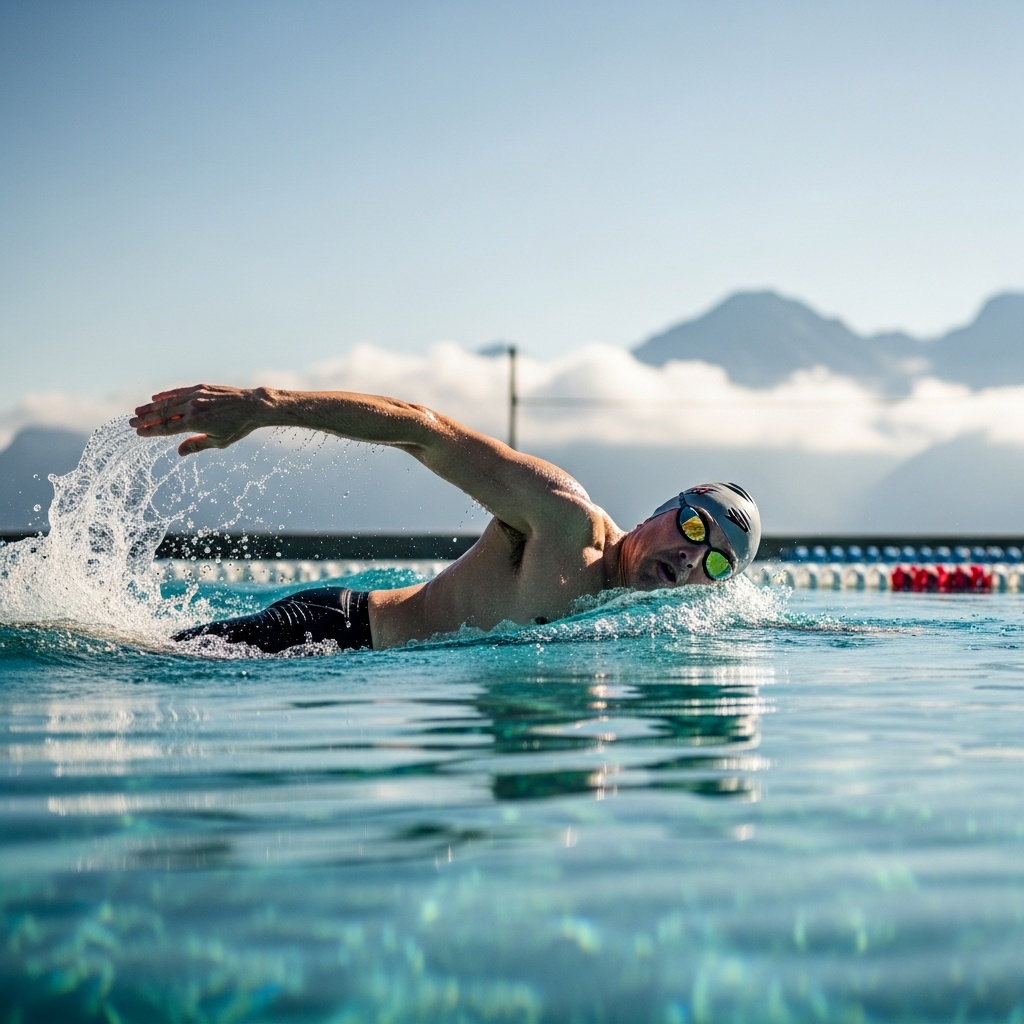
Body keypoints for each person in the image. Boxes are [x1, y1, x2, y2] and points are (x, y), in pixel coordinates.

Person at [131, 383, 761, 652]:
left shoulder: (646, 631)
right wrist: (263, 406)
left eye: (715, 561)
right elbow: (422, 431)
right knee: (143, 661)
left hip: (362, 690)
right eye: (696, 528)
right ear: (666, 511)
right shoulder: (564, 522)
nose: (690, 556)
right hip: (332, 634)